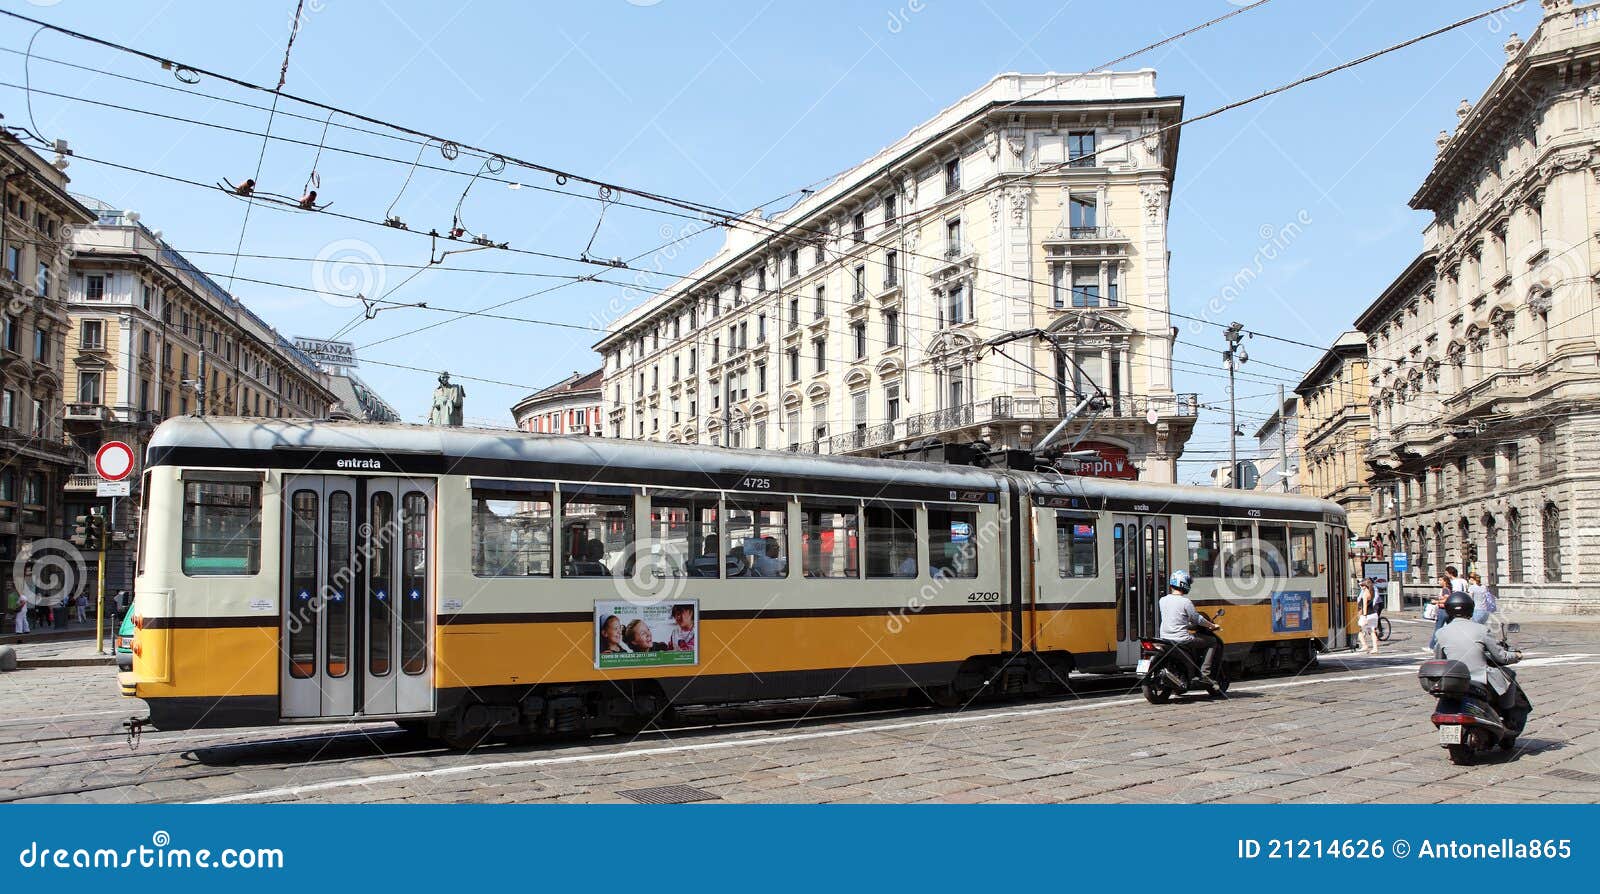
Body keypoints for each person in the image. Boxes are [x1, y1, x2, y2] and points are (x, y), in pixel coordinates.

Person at [1434, 591, 1530, 722]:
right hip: (1479, 678)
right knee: (1510, 675)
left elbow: (1439, 660)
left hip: (1454, 680)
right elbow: (1501, 657)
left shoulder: (1441, 633)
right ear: (1470, 609)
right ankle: (1506, 714)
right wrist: (1517, 655)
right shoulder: (1481, 629)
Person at [1157, 569, 1223, 689]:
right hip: (1181, 639)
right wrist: (1213, 626)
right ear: (1184, 584)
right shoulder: (1185, 602)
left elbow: (1174, 618)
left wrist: (1185, 624)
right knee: (1212, 642)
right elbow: (1197, 619)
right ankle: (1205, 674)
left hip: (1165, 639)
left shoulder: (1162, 600)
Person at [1357, 578, 1380, 655]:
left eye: (1362, 585)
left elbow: (1365, 606)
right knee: (1373, 631)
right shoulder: (1372, 592)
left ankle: (1364, 645)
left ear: (1365, 586)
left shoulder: (1365, 594)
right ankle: (1375, 648)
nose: (1361, 587)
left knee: (1359, 629)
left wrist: (1364, 616)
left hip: (1367, 615)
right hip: (1374, 614)